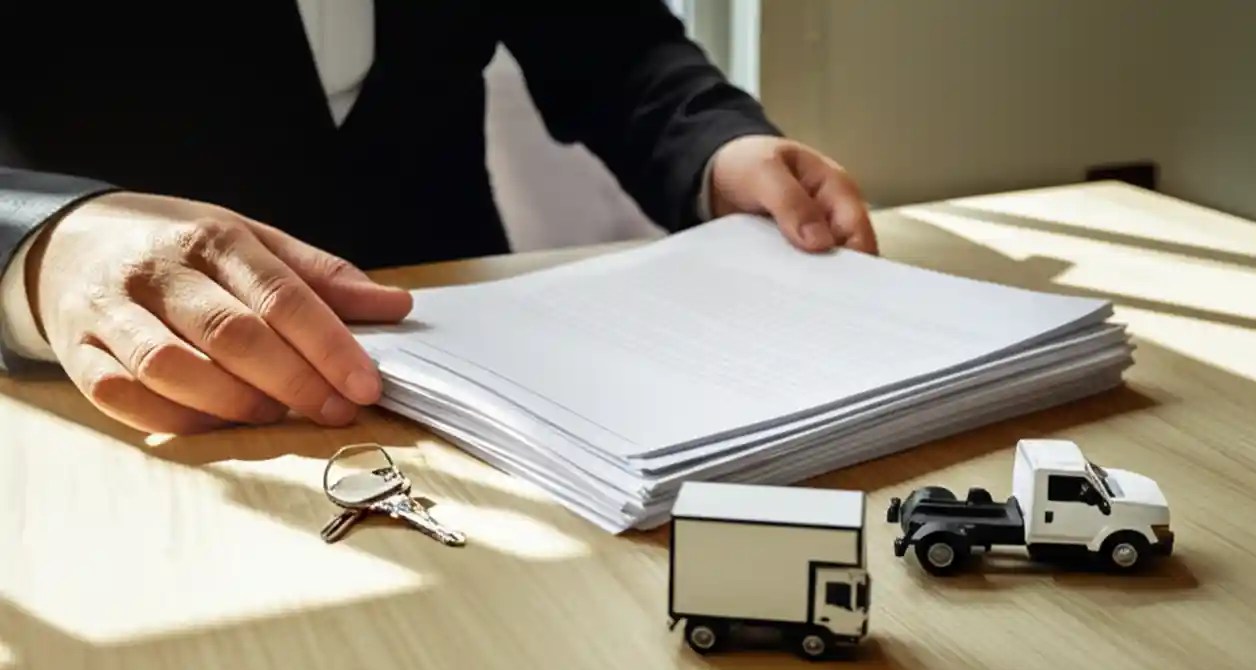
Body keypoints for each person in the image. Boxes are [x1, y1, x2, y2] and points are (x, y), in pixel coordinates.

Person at [0, 2, 876, 435]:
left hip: (491, 377)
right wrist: (41, 242)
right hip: (128, 407)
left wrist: (717, 149)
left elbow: (611, 39)